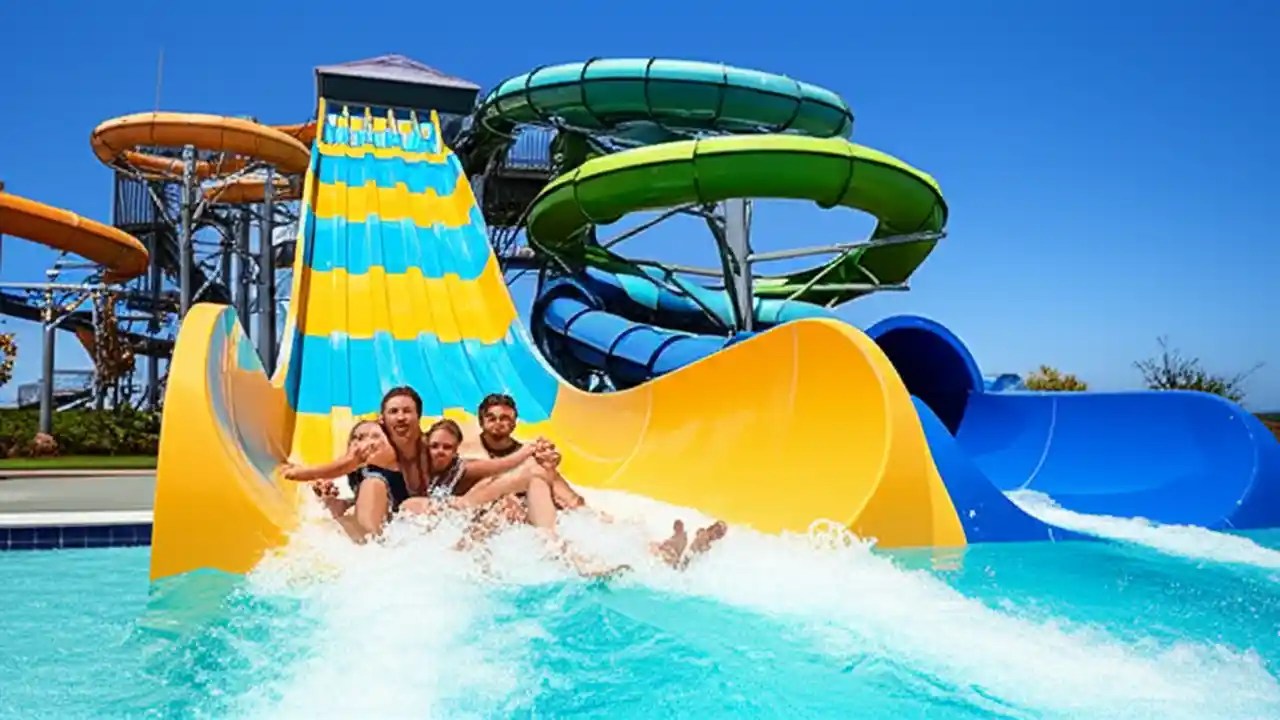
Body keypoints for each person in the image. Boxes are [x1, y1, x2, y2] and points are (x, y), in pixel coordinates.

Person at [281, 419, 408, 543]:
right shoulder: (358, 472)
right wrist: (331, 499)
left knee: (372, 485)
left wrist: (307, 473)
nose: (368, 443)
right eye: (359, 438)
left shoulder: (397, 467)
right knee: (335, 508)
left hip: (389, 523)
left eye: (376, 436)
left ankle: (364, 539)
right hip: (387, 520)